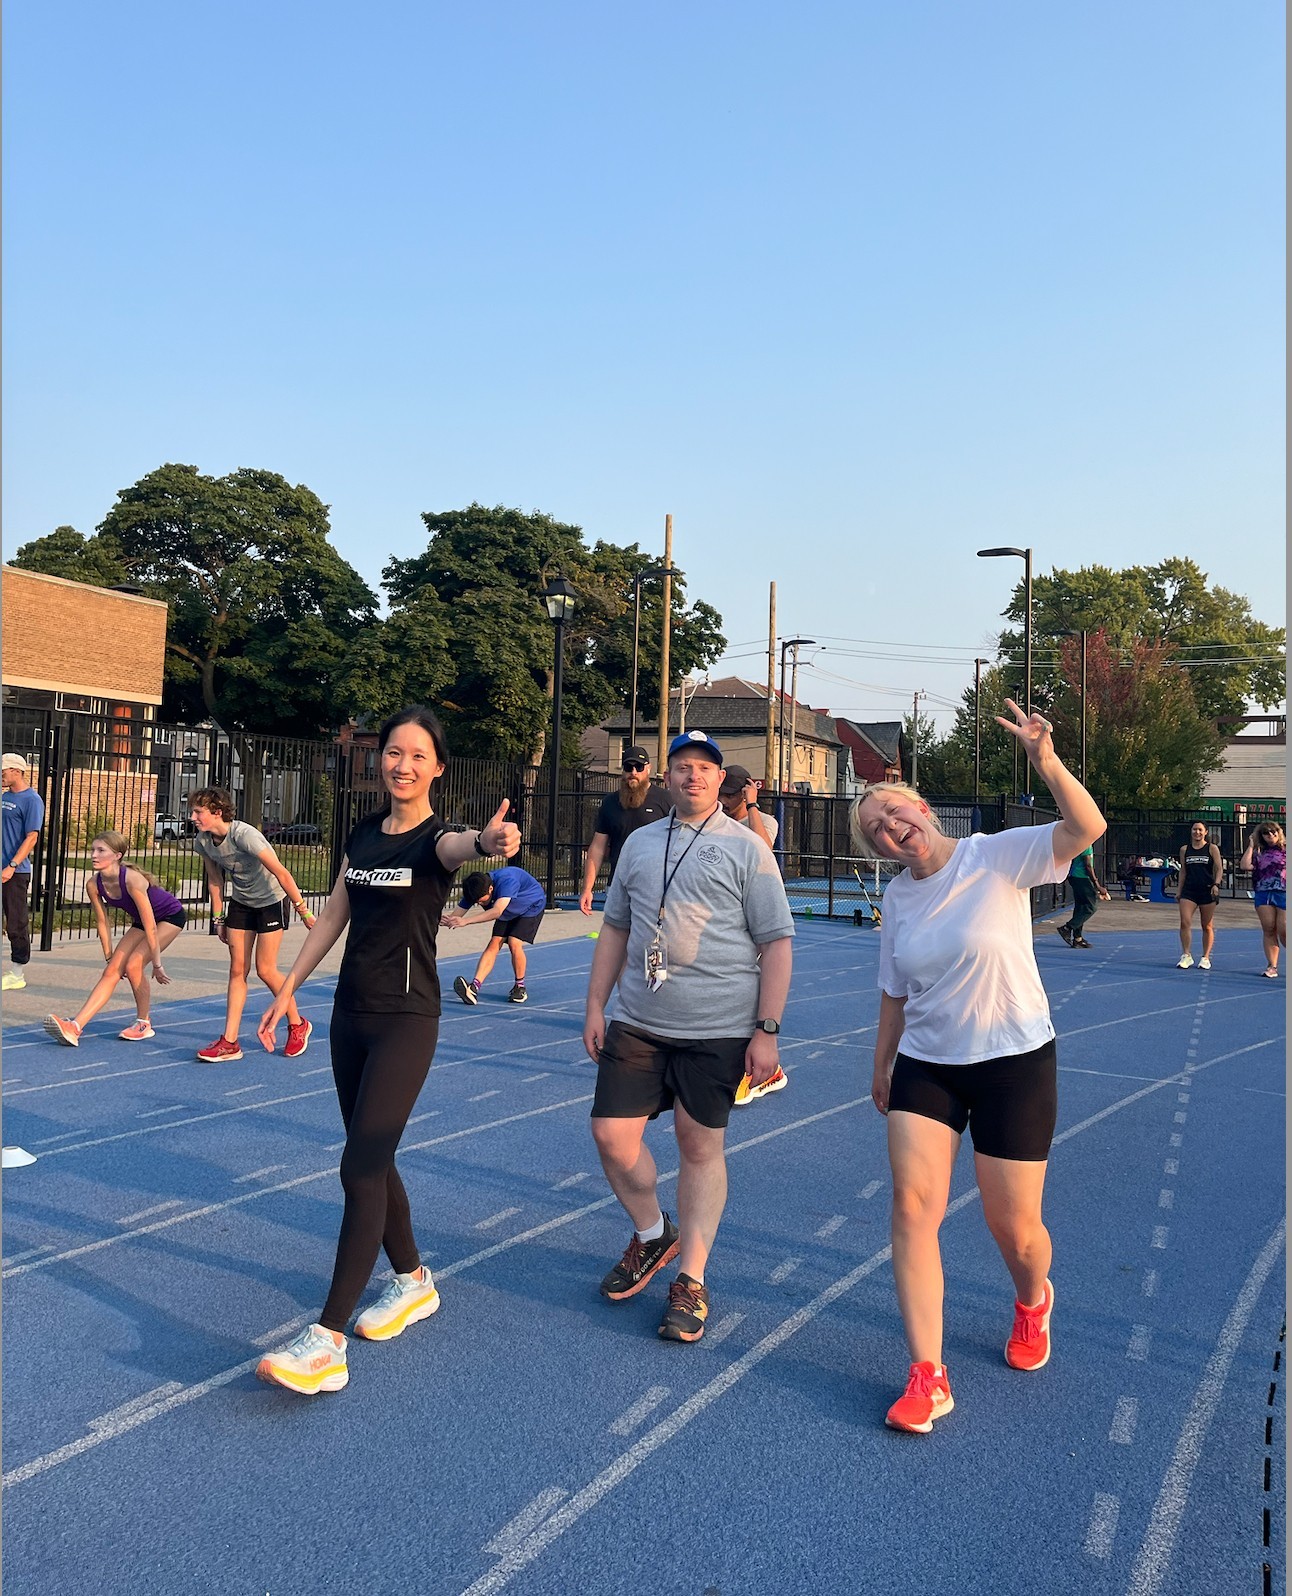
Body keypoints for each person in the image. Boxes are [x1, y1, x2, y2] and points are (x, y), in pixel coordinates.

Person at [852, 701, 1106, 1434]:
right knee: (910, 1208)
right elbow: (895, 991)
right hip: (926, 1067)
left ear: (923, 809)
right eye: (876, 831)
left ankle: (1033, 1301)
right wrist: (882, 1065)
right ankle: (927, 1376)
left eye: (895, 814)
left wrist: (1047, 762)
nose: (891, 831)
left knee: (1013, 1228)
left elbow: (1086, 830)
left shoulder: (993, 855)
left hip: (1013, 1061)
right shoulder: (898, 900)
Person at [254, 705, 521, 1395]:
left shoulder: (435, 841)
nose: (401, 764)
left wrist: (489, 841)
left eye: (416, 755)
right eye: (392, 752)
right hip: (350, 1018)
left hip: (407, 1020)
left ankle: (327, 1337)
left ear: (437, 767)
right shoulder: (366, 832)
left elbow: (463, 846)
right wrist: (287, 990)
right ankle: (412, 1281)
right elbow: (336, 912)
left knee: (358, 1165)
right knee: (373, 1161)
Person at [583, 728, 794, 1343]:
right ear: (665, 777)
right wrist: (595, 1005)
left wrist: (767, 1032)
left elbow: (776, 942)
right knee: (611, 1136)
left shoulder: (749, 848)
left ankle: (693, 1279)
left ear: (719, 779)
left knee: (698, 1147)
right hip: (639, 1020)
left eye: (705, 767)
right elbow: (616, 930)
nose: (693, 776)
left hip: (719, 1028)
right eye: (682, 766)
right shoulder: (641, 844)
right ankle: (654, 1235)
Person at [188, 788, 317, 1061]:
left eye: (198, 812)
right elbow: (215, 880)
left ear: (217, 812)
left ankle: (297, 1025)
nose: (193, 817)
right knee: (237, 970)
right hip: (241, 903)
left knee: (266, 970)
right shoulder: (203, 841)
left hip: (271, 901)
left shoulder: (244, 835)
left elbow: (281, 872)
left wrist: (304, 912)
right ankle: (230, 1042)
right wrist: (219, 918)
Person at [43, 831, 184, 1045]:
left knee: (134, 964)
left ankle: (143, 1024)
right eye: (93, 850)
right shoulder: (94, 884)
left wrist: (156, 964)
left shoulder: (132, 880)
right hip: (143, 921)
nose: (94, 855)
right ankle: (75, 1027)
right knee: (112, 971)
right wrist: (109, 955)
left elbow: (151, 927)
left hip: (169, 917)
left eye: (101, 850)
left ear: (117, 855)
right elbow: (102, 922)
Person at [718, 766, 787, 1106]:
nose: (725, 799)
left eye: (733, 793)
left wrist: (753, 806)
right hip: (730, 916)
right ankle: (757, 1069)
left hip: (759, 917)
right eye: (724, 792)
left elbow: (763, 848)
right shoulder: (719, 820)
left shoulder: (764, 820)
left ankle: (763, 1070)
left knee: (751, 996)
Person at [578, 746, 671, 914]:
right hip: (617, 884)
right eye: (629, 767)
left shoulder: (665, 800)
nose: (633, 772)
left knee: (650, 937)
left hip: (655, 886)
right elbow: (598, 848)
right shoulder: (610, 803)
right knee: (616, 935)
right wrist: (587, 889)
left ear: (648, 768)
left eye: (639, 767)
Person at [442, 863, 548, 1004]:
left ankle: (520, 987)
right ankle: (474, 988)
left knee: (514, 942)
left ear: (491, 889)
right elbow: (454, 916)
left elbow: (496, 911)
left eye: (481, 901)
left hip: (530, 906)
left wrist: (466, 921)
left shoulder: (508, 880)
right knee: (494, 943)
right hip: (508, 909)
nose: (480, 904)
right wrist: (436, 920)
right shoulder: (475, 889)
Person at [2, 753, 44, 991]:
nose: (2, 776)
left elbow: (32, 837)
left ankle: (17, 973)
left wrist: (12, 865)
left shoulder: (32, 800)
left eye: (4, 772)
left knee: (16, 923)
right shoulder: (4, 797)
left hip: (14, 872)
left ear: (16, 771)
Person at [1238, 822, 1285, 978]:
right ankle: (1272, 965)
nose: (1270, 835)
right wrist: (1251, 845)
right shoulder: (1259, 852)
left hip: (1283, 892)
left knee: (1284, 929)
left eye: (1273, 832)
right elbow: (1245, 865)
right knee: (1269, 928)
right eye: (1266, 833)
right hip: (1263, 892)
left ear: (1279, 832)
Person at [1175, 822, 1223, 970]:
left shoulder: (1212, 848)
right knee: (1185, 922)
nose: (1197, 832)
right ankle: (1186, 955)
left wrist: (1216, 884)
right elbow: (1183, 871)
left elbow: (1219, 868)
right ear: (1191, 831)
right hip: (1189, 891)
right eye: (1195, 829)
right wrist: (1179, 890)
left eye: (1200, 830)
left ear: (1205, 832)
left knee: (1206, 925)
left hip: (1207, 890)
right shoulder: (1185, 849)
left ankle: (1205, 957)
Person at [1056, 844, 1110, 947]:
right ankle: (1067, 928)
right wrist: (1097, 885)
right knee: (1091, 907)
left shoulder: (1078, 842)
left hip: (1074, 876)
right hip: (1082, 877)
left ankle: (1078, 938)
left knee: (1080, 907)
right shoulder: (1086, 845)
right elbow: (1088, 866)